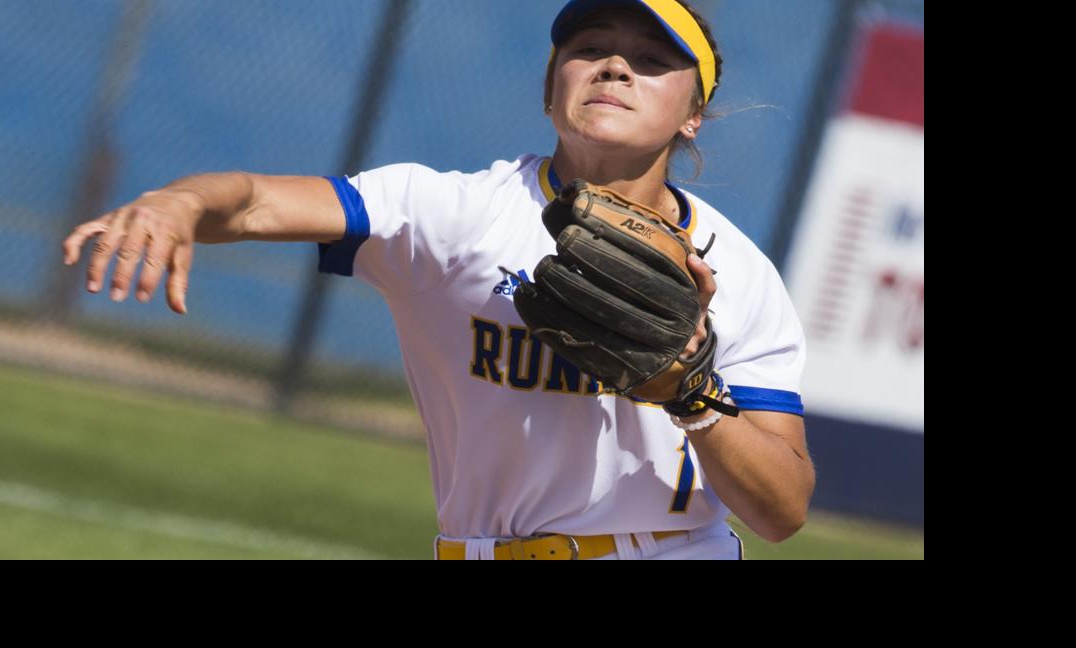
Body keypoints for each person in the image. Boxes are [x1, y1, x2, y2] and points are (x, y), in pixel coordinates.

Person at [61, 0, 813, 560]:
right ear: (550, 87)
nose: (615, 67)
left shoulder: (738, 271)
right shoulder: (455, 214)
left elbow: (782, 510)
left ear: (693, 115)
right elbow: (257, 200)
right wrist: (179, 202)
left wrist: (694, 398)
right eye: (589, 49)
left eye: (651, 60)